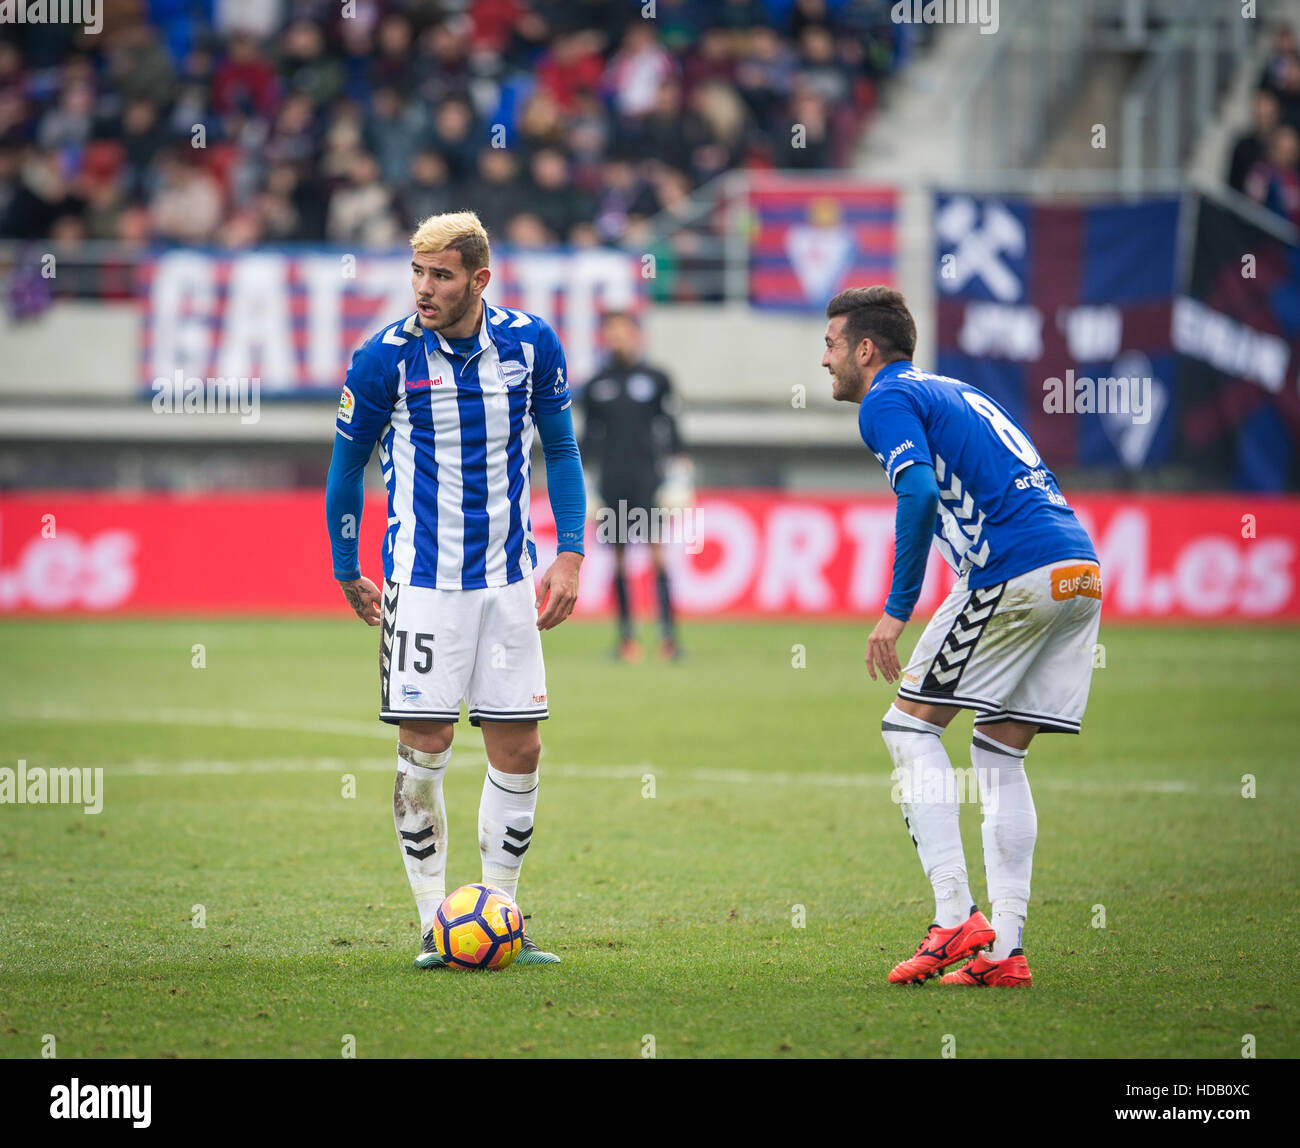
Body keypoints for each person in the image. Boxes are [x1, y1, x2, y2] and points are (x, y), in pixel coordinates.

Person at [325, 211, 586, 968]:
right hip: (423, 584)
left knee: (521, 748)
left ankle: (502, 912)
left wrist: (569, 553)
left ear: (479, 278)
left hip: (508, 585)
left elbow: (562, 450)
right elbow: (347, 469)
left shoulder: (531, 343)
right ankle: (433, 925)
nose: (424, 289)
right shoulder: (383, 359)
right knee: (425, 747)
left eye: (440, 275)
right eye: (416, 273)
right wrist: (345, 565)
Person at [823, 286, 1101, 987]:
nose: (823, 360)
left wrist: (897, 608)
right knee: (998, 756)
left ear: (865, 349)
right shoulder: (953, 390)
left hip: (1015, 569)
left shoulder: (887, 400)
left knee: (908, 729)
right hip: (1078, 570)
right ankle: (1004, 953)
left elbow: (916, 492)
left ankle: (954, 919)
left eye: (831, 345)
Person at [581, 310, 688, 661]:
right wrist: (588, 487)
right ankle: (627, 639)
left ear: (637, 336)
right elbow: (588, 441)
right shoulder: (596, 385)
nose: (617, 339)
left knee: (658, 558)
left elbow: (672, 430)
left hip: (649, 483)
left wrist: (679, 478)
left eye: (623, 332)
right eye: (611, 333)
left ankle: (669, 639)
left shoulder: (657, 379)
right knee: (620, 561)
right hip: (613, 484)